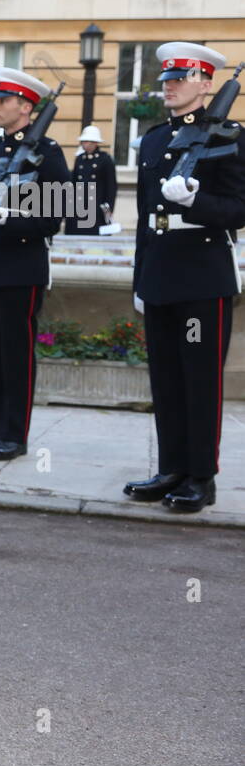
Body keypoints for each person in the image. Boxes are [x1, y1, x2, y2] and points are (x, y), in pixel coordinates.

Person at [123, 42, 244, 513]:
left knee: (200, 379)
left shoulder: (227, 135)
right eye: (167, 80)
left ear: (206, 84)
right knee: (167, 379)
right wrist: (139, 279)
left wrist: (197, 203)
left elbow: (237, 209)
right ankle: (171, 468)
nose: (169, 86)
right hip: (161, 270)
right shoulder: (154, 139)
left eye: (180, 79)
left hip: (202, 272)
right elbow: (144, 219)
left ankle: (201, 475)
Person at [0, 67, 69, 462]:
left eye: (2, 101)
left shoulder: (48, 153)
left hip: (21, 267)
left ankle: (13, 434)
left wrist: (11, 219)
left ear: (25, 106)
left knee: (16, 353)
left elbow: (59, 215)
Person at [69, 124, 117, 235]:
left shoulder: (105, 159)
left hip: (97, 206)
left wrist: (108, 208)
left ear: (95, 143)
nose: (85, 145)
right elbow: (74, 183)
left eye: (88, 142)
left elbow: (111, 186)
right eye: (83, 141)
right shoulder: (80, 159)